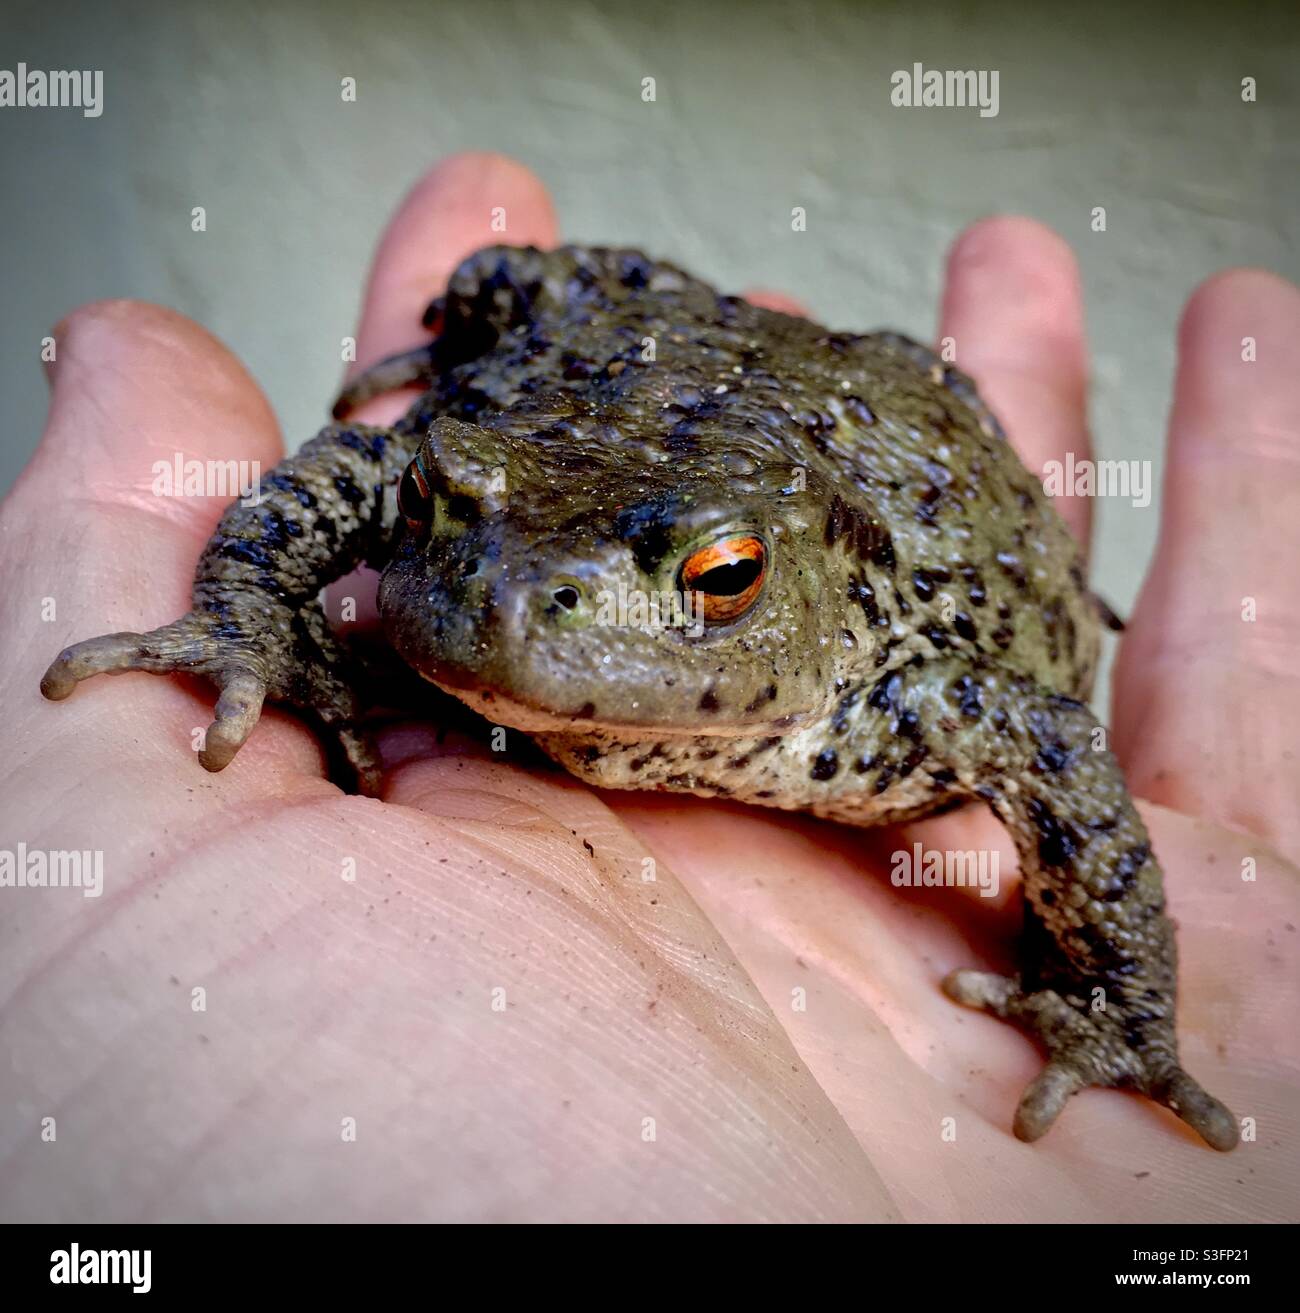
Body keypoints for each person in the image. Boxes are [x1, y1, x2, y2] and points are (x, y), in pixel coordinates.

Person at [3, 152, 1295, 1222]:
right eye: (454, 514)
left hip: (852, 448)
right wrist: (257, 613)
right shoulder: (469, 468)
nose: (522, 614)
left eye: (716, 577)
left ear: (767, 576)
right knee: (491, 297)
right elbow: (362, 467)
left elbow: (1050, 734)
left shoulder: (895, 696)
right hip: (620, 376)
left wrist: (1120, 996)